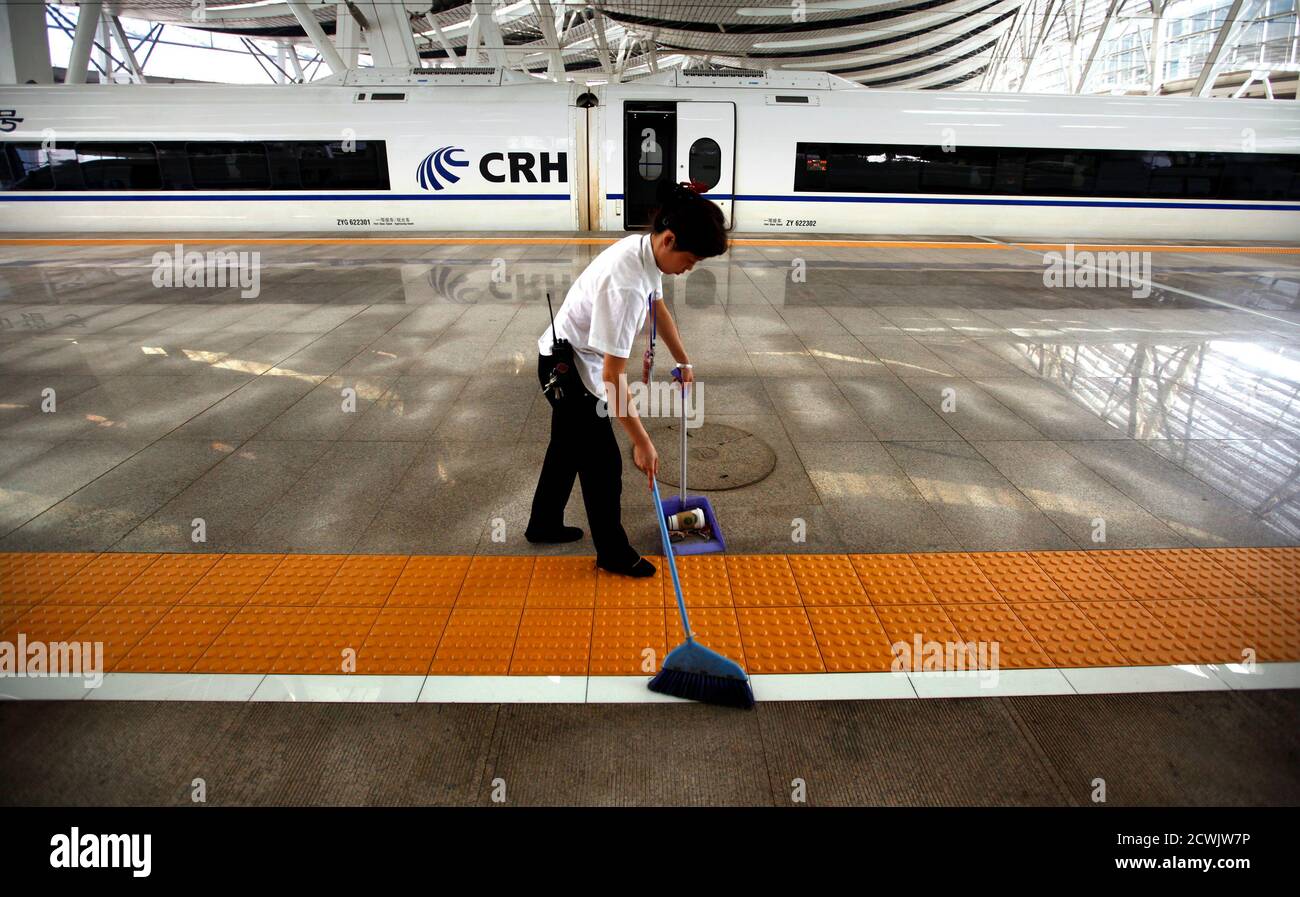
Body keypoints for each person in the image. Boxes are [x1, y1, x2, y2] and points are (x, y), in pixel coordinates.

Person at [526, 181, 729, 577]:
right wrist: (642, 442)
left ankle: (543, 523)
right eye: (690, 260)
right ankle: (613, 553)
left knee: (567, 448)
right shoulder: (626, 286)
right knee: (603, 464)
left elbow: (659, 308)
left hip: (565, 357)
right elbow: (612, 377)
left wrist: (684, 360)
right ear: (669, 239)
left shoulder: (645, 252)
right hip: (569, 372)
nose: (689, 269)